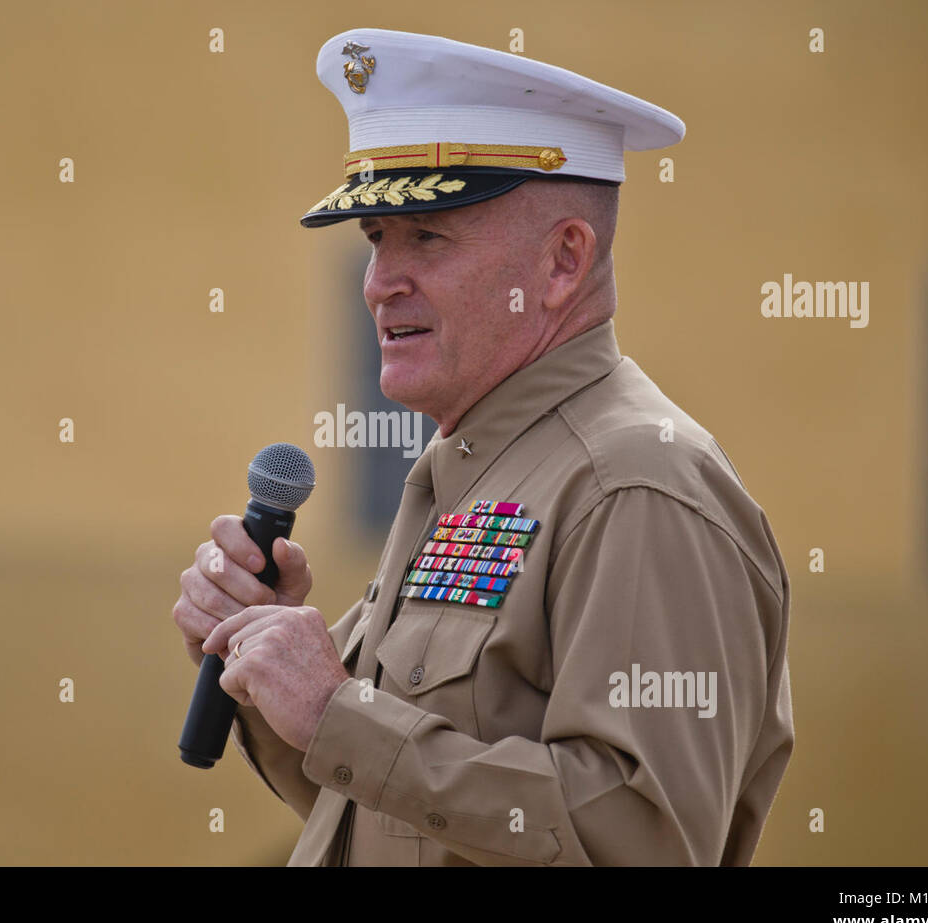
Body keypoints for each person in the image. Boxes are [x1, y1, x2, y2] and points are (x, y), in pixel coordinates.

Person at [172, 28, 794, 866]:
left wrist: (336, 714)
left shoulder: (635, 484)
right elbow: (386, 817)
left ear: (563, 261)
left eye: (427, 236)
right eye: (374, 240)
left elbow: (640, 842)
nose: (378, 282)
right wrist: (266, 671)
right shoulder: (482, 469)